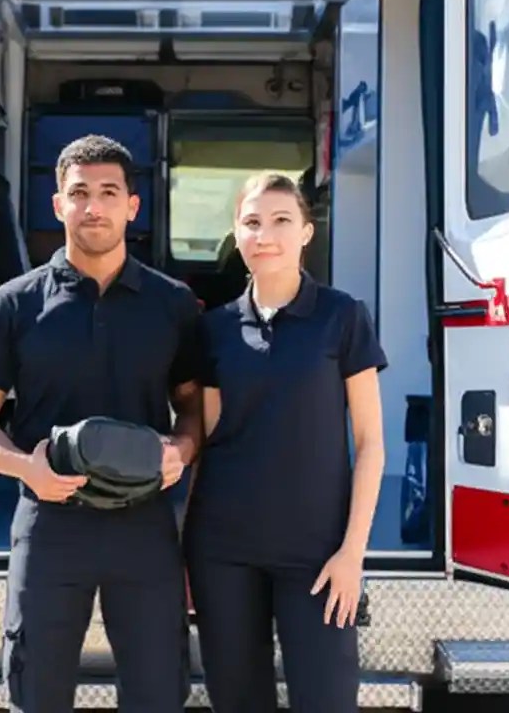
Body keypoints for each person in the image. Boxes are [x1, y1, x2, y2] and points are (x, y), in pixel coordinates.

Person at [0, 134, 203, 713]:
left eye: (109, 192)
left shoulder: (172, 305)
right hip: (50, 526)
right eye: (80, 192)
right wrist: (26, 469)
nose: (94, 206)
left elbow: (193, 409)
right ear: (57, 203)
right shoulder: (13, 305)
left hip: (145, 524)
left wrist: (182, 450)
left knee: (159, 693)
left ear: (132, 206)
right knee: (36, 694)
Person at [182, 172, 387, 713]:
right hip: (223, 552)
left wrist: (352, 553)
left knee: (327, 700)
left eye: (280, 221)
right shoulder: (215, 329)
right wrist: (185, 548)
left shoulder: (342, 317)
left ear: (306, 233)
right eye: (252, 222)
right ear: (236, 233)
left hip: (317, 556)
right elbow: (208, 443)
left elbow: (369, 444)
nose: (265, 234)